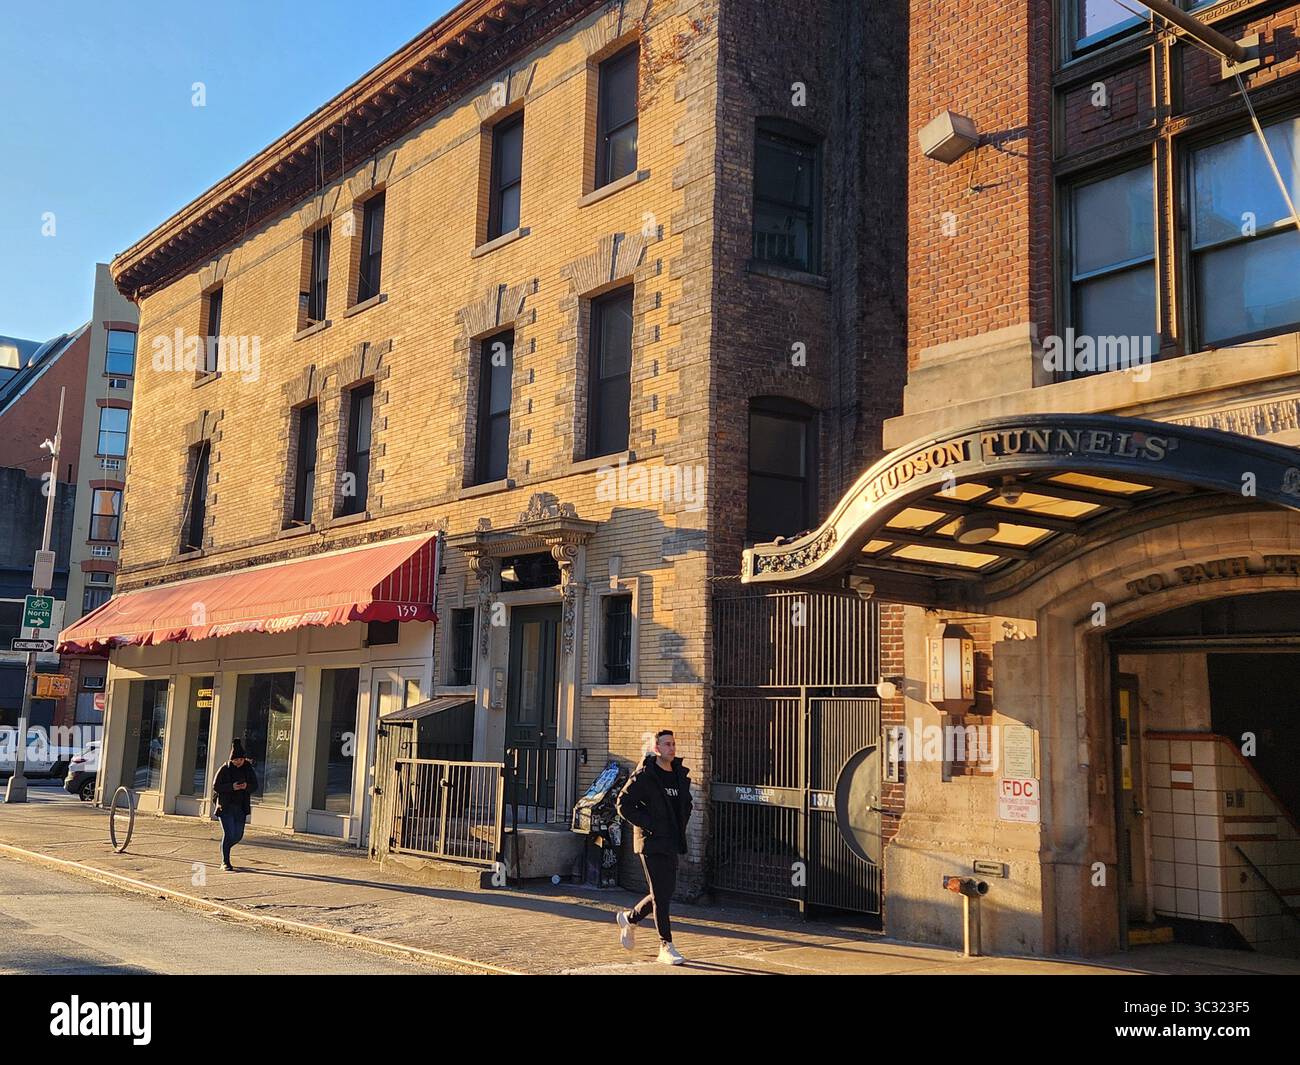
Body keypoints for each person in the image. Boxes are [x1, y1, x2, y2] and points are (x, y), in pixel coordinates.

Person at [614, 729, 693, 965]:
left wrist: (681, 822)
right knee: (661, 894)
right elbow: (623, 804)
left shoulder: (678, 774)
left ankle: (630, 918)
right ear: (657, 748)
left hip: (671, 840)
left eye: (674, 744)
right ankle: (665, 945)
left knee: (664, 892)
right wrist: (649, 825)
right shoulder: (646, 775)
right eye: (667, 744)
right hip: (651, 842)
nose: (672, 748)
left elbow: (685, 804)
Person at [212, 740, 257, 872]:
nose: (238, 762)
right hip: (225, 806)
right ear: (231, 759)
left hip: (241, 807)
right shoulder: (225, 768)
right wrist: (231, 787)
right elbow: (216, 786)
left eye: (240, 759)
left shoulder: (248, 769)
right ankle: (225, 861)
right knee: (229, 833)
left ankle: (224, 847)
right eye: (235, 760)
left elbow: (255, 785)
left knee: (238, 835)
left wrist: (246, 786)